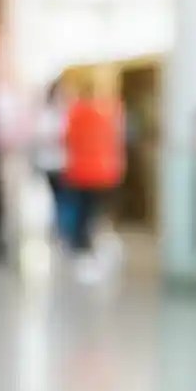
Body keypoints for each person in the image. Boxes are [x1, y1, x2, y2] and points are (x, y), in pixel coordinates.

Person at [63, 81, 125, 279]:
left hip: (81, 172)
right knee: (96, 211)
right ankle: (94, 244)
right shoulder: (109, 114)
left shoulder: (76, 114)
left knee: (83, 212)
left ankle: (83, 247)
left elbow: (67, 139)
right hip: (103, 173)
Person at [33, 79, 72, 242]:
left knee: (62, 198)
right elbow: (42, 137)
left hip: (64, 163)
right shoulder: (48, 116)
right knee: (59, 198)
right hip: (51, 164)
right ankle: (61, 228)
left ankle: (61, 227)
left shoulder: (65, 114)